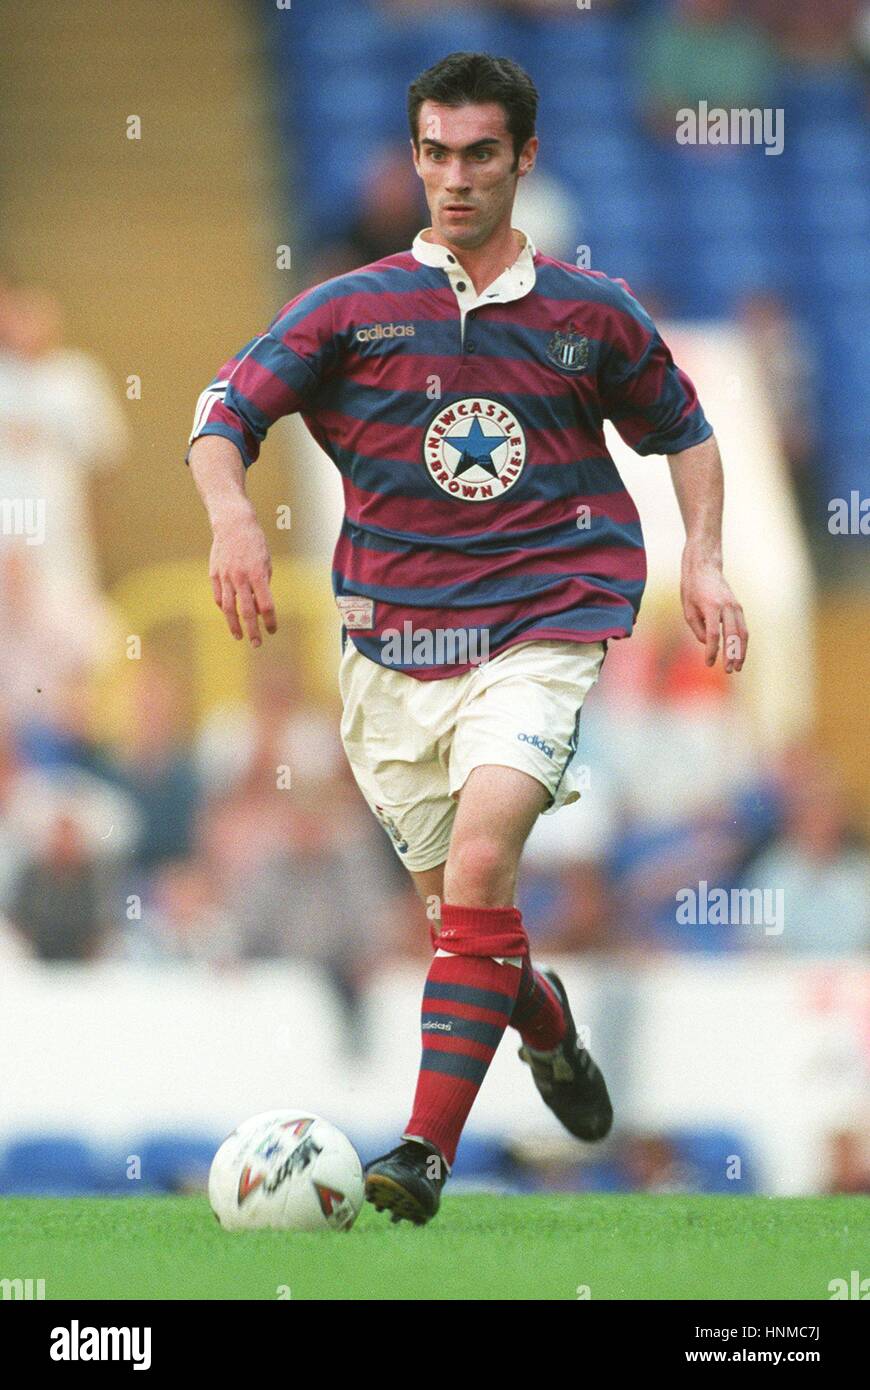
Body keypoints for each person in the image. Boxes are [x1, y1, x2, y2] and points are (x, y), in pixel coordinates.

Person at [185, 52, 748, 1225]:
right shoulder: (351, 306)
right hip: (391, 653)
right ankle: (543, 1019)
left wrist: (702, 557)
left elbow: (687, 431)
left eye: (480, 153)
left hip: (544, 625)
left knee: (486, 866)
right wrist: (233, 519)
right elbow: (223, 414)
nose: (455, 177)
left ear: (523, 158)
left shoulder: (591, 314)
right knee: (465, 928)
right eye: (435, 153)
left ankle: (423, 1155)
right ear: (415, 159)